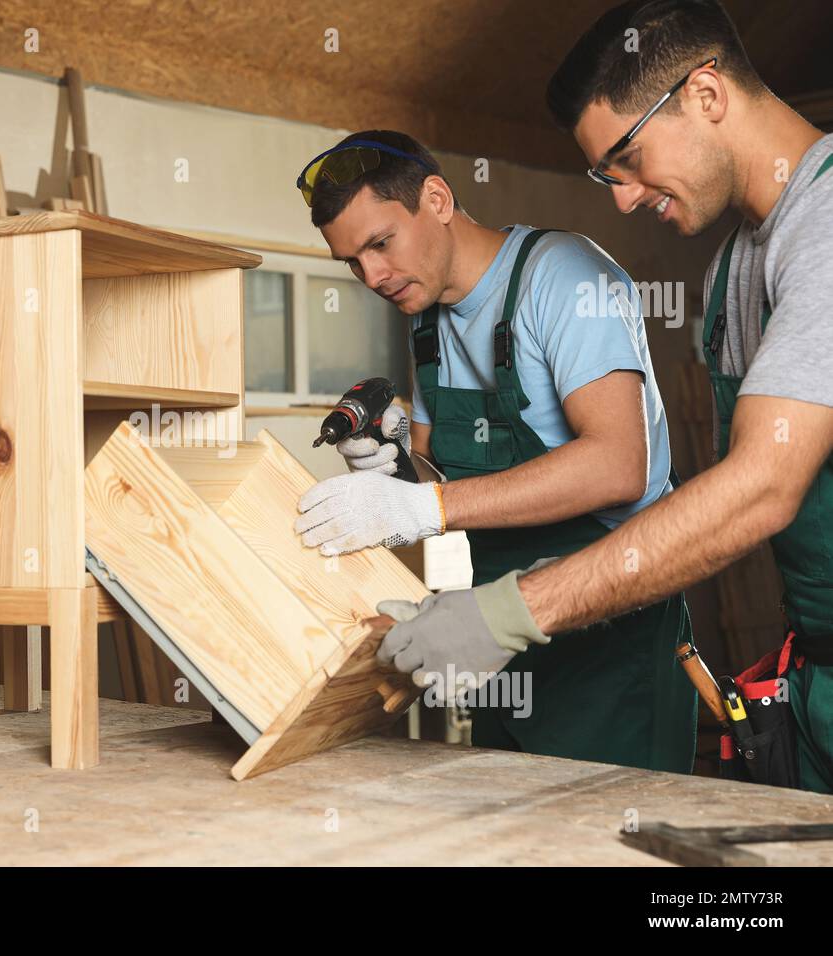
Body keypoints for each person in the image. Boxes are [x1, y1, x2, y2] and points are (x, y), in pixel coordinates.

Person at [374, 0, 833, 793]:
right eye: (604, 175)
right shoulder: (734, 269)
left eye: (629, 157)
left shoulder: (823, 228)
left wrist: (510, 612)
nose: (620, 199)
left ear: (706, 95)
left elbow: (762, 487)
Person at [292, 129, 696, 772]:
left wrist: (423, 506)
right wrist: (395, 465)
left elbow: (620, 464)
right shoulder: (426, 319)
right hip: (492, 635)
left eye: (379, 243)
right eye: (352, 263)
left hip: (609, 639)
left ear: (437, 198)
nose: (372, 276)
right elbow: (437, 475)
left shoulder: (563, 276)